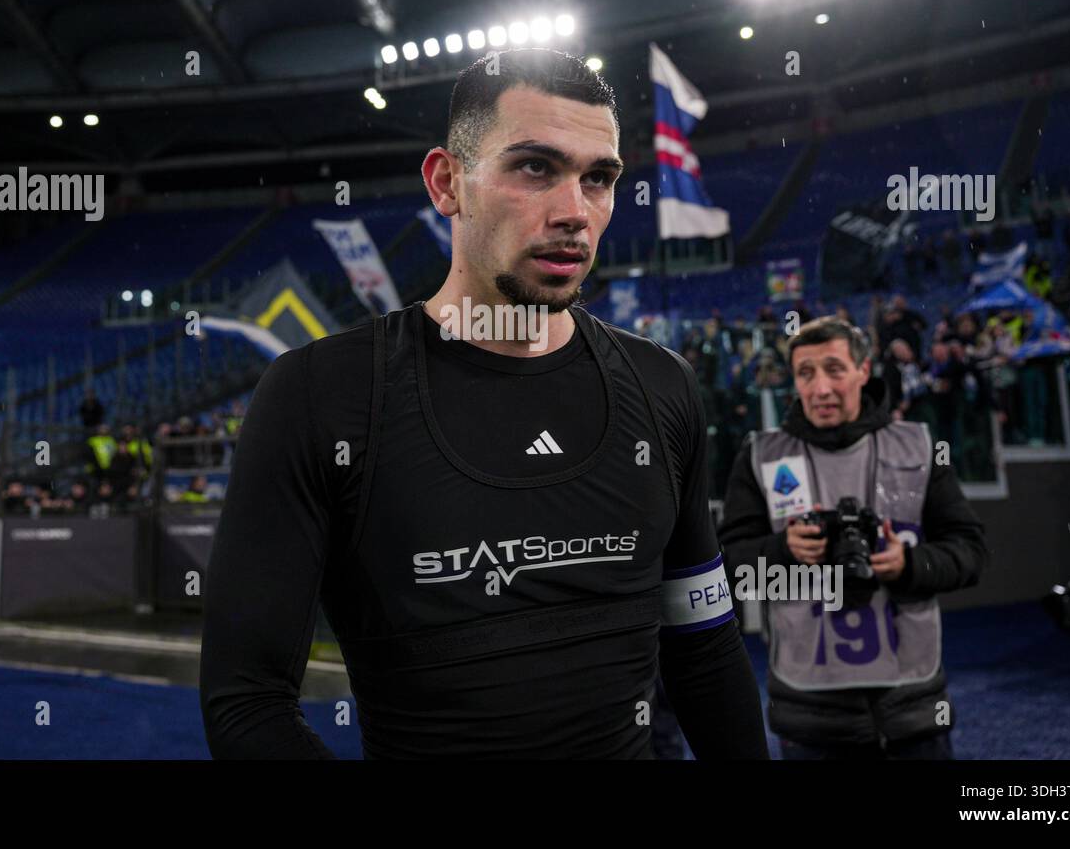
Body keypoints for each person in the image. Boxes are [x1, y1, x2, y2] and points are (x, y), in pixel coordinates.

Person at [199, 48, 768, 759]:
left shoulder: (663, 387)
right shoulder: (323, 395)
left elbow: (704, 651)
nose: (575, 213)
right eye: (535, 168)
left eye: (599, 178)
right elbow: (246, 701)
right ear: (448, 183)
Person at [718, 318, 987, 759]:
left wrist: (912, 564)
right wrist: (782, 551)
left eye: (834, 369)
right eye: (806, 373)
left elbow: (972, 553)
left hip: (912, 708)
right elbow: (730, 570)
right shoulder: (761, 455)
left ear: (864, 371)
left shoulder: (917, 446)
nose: (821, 388)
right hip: (809, 713)